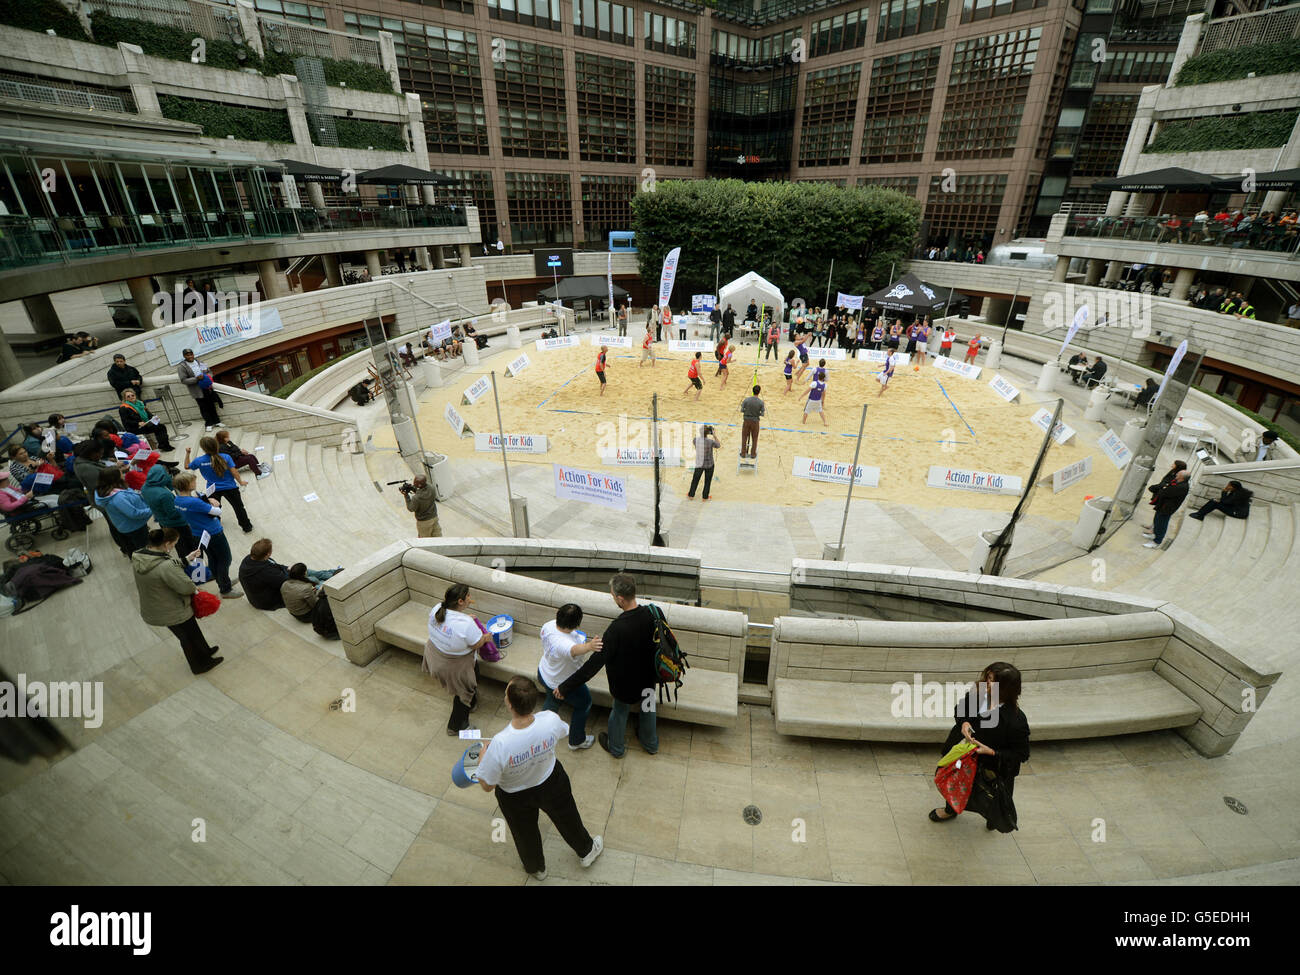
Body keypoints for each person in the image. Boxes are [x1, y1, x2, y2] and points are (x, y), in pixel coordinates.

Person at [475, 676, 604, 880]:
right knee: (567, 817)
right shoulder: (550, 719)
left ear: (509, 704)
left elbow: (487, 785)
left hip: (514, 795)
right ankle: (587, 851)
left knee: (524, 832)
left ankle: (536, 868)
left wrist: (483, 759)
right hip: (551, 780)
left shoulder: (499, 743)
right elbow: (563, 732)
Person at [557, 574, 659, 758]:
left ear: (620, 599)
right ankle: (650, 743)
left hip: (625, 685)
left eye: (612, 595)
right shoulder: (653, 613)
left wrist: (565, 686)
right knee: (648, 707)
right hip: (648, 678)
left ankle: (617, 748)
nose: (613, 598)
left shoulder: (617, 629)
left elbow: (592, 666)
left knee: (620, 712)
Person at [929, 662, 1030, 828]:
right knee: (953, 781)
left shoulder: (1016, 721)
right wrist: (964, 722)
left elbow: (1022, 754)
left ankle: (992, 817)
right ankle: (951, 809)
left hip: (990, 765)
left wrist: (992, 752)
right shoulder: (978, 693)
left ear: (1005, 688)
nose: (987, 683)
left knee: (989, 795)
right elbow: (959, 709)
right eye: (988, 677)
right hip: (962, 753)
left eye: (993, 681)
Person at [132, 527, 223, 675]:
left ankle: (205, 651)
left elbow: (165, 563)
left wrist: (187, 559)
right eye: (174, 544)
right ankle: (199, 665)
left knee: (192, 631)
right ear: (166, 544)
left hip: (158, 605)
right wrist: (194, 585)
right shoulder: (165, 566)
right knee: (187, 638)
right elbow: (186, 587)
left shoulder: (141, 555)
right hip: (170, 609)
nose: (174, 547)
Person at [423, 583, 495, 735]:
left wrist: (465, 619)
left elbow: (451, 624)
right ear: (460, 601)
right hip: (454, 666)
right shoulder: (466, 624)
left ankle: (473, 703)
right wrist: (486, 637)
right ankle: (457, 727)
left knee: (474, 678)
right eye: (468, 596)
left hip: (434, 656)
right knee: (463, 695)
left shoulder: (437, 608)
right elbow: (476, 644)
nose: (470, 598)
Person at [537, 603, 602, 750]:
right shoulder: (564, 644)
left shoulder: (548, 626)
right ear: (577, 623)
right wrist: (590, 646)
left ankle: (540, 733)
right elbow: (573, 650)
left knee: (552, 701)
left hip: (545, 673)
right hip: (563, 683)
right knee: (584, 703)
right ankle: (576, 740)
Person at [172, 470, 244, 599]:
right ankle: (225, 589)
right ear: (187, 484)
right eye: (193, 481)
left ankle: (222, 580)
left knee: (212, 558)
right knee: (224, 559)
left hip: (197, 532)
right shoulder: (193, 502)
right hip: (213, 532)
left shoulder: (177, 500)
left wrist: (202, 500)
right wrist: (216, 503)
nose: (195, 482)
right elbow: (216, 511)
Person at [238, 537, 339, 610]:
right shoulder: (264, 572)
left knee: (307, 571)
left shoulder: (253, 558)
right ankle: (332, 585)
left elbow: (275, 565)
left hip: (279, 578)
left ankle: (333, 573)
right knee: (313, 580)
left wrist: (288, 568)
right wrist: (294, 573)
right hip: (270, 598)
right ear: (267, 554)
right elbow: (284, 581)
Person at [186, 436, 252, 533]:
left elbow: (187, 466)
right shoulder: (226, 457)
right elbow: (234, 472)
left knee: (213, 509)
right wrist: (241, 482)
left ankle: (216, 524)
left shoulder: (199, 460)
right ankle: (246, 527)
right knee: (238, 508)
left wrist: (188, 454)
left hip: (212, 489)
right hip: (230, 487)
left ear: (203, 448)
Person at [141, 461, 196, 556]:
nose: (167, 474)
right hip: (177, 524)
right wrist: (187, 507)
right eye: (165, 473)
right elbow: (173, 514)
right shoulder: (164, 495)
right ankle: (189, 560)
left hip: (163, 521)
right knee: (186, 544)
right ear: (161, 477)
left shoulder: (145, 487)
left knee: (178, 544)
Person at [93, 466, 152, 554]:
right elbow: (134, 514)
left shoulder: (104, 490)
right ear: (115, 478)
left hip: (125, 525)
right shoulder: (118, 498)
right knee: (142, 548)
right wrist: (152, 509)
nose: (123, 474)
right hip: (135, 527)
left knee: (132, 546)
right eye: (121, 473)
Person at [281, 562, 338, 638]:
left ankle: (333, 573)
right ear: (304, 573)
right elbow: (315, 604)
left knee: (315, 578)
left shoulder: (285, 583)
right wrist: (317, 591)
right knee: (321, 582)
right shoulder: (306, 588)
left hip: (294, 611)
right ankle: (335, 573)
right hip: (306, 615)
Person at [177, 348, 222, 431]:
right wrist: (197, 379)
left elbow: (209, 371)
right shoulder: (182, 367)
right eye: (187, 355)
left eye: (191, 354)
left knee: (211, 405)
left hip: (207, 387)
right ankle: (209, 423)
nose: (190, 356)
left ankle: (217, 421)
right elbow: (183, 380)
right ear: (184, 356)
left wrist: (208, 377)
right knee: (203, 407)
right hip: (197, 390)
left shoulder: (199, 362)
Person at [1145, 469, 1190, 548]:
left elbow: (1165, 492)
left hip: (1167, 508)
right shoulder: (1178, 482)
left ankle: (1157, 542)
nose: (1176, 474)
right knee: (1156, 520)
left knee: (1161, 524)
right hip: (1163, 504)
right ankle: (1154, 535)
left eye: (1178, 474)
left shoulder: (1182, 486)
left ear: (1181, 477)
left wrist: (1163, 488)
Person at [688, 425, 721, 500]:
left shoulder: (695, 440)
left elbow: (695, 441)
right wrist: (714, 435)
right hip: (709, 464)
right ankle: (705, 497)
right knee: (707, 481)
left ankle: (691, 495)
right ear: (708, 433)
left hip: (699, 464)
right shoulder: (710, 442)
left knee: (695, 480)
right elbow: (718, 445)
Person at [740, 385, 765, 460]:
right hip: (755, 421)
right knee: (755, 438)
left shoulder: (746, 400)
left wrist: (747, 412)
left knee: (744, 437)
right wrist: (757, 414)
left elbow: (741, 410)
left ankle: (743, 453)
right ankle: (753, 454)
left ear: (752, 391)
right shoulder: (760, 402)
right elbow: (762, 414)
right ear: (759, 392)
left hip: (746, 420)